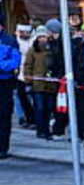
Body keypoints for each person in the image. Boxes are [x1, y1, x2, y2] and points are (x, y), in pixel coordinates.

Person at [22, 27, 56, 141]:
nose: (43, 39)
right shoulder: (32, 50)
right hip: (38, 85)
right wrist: (28, 81)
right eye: (40, 37)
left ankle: (47, 129)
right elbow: (28, 66)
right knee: (40, 108)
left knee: (49, 108)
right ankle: (41, 130)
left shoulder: (52, 49)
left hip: (51, 84)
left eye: (44, 36)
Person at [0, 12, 21, 158]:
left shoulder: (10, 40)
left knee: (4, 116)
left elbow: (15, 61)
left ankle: (2, 147)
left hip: (4, 82)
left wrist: (1, 66)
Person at [14, 22, 34, 129]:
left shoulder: (32, 42)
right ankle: (22, 117)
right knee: (20, 96)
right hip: (19, 74)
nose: (25, 34)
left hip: (31, 73)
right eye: (23, 32)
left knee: (30, 97)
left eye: (27, 32)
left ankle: (31, 117)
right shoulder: (15, 42)